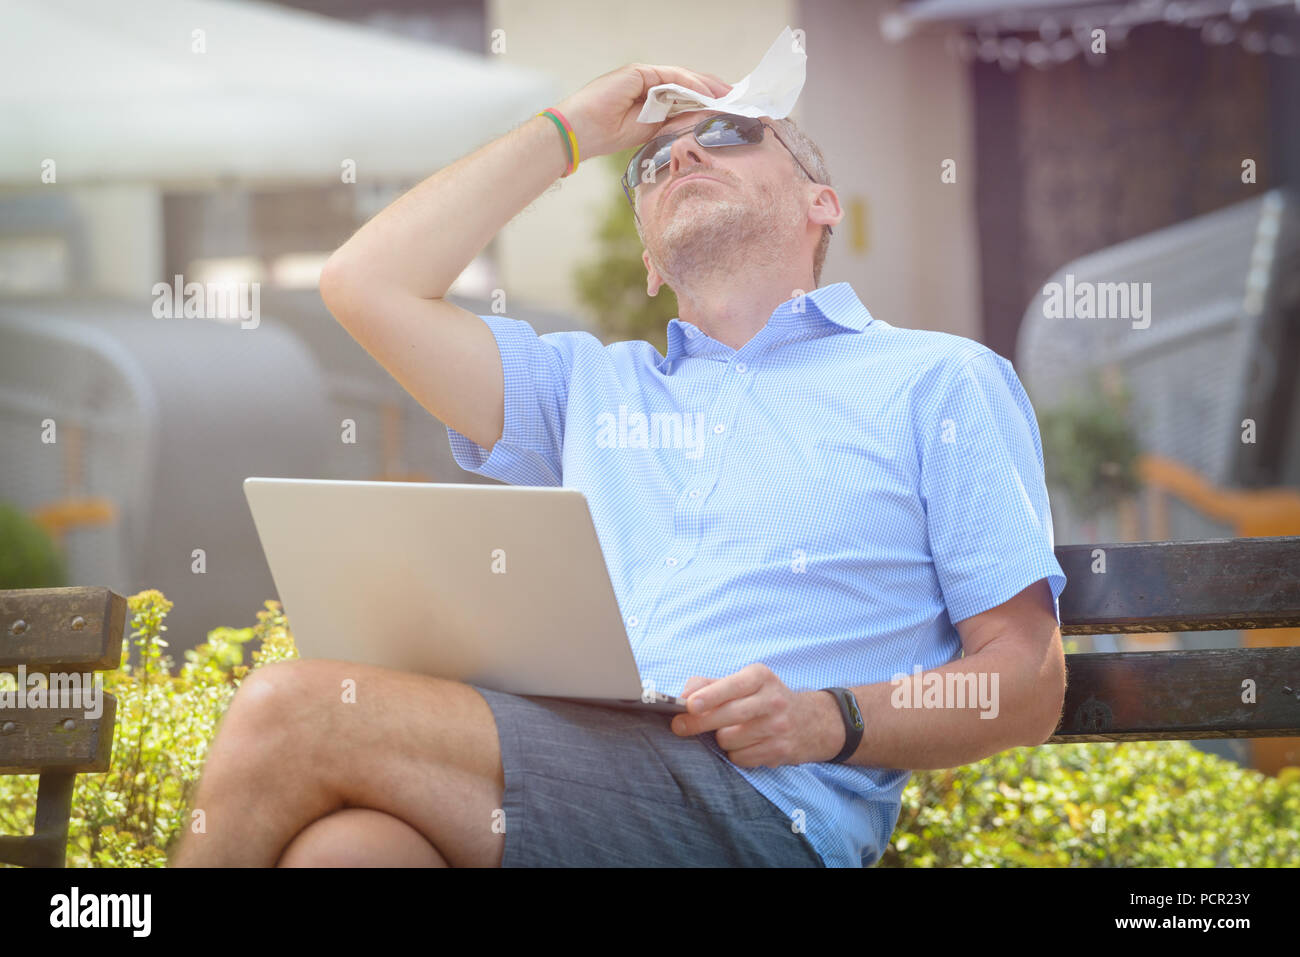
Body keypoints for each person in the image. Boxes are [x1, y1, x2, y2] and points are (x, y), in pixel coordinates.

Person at [171, 63, 1067, 868]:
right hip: (573, 759)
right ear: (647, 259)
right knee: (353, 851)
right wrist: (572, 131)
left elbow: (1027, 679)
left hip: (759, 809)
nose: (681, 158)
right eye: (653, 162)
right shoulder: (585, 387)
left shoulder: (939, 380)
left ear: (820, 203)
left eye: (727, 131)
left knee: (299, 708)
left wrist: (825, 715)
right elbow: (363, 285)